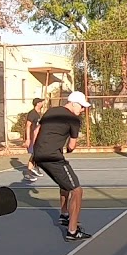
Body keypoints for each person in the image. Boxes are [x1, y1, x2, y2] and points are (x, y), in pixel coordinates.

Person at [33, 91, 94, 241]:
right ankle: (72, 231)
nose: (82, 110)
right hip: (53, 157)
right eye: (81, 106)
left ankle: (64, 214)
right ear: (73, 103)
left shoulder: (51, 111)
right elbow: (71, 146)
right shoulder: (74, 119)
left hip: (39, 155)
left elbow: (37, 131)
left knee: (64, 183)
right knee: (77, 190)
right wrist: (68, 149)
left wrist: (34, 154)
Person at [23, 98, 45, 181]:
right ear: (37, 103)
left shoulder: (39, 113)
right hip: (33, 137)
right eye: (41, 102)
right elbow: (28, 126)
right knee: (34, 154)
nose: (42, 103)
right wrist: (28, 139)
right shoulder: (32, 113)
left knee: (38, 153)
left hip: (38, 137)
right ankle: (28, 174)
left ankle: (35, 168)